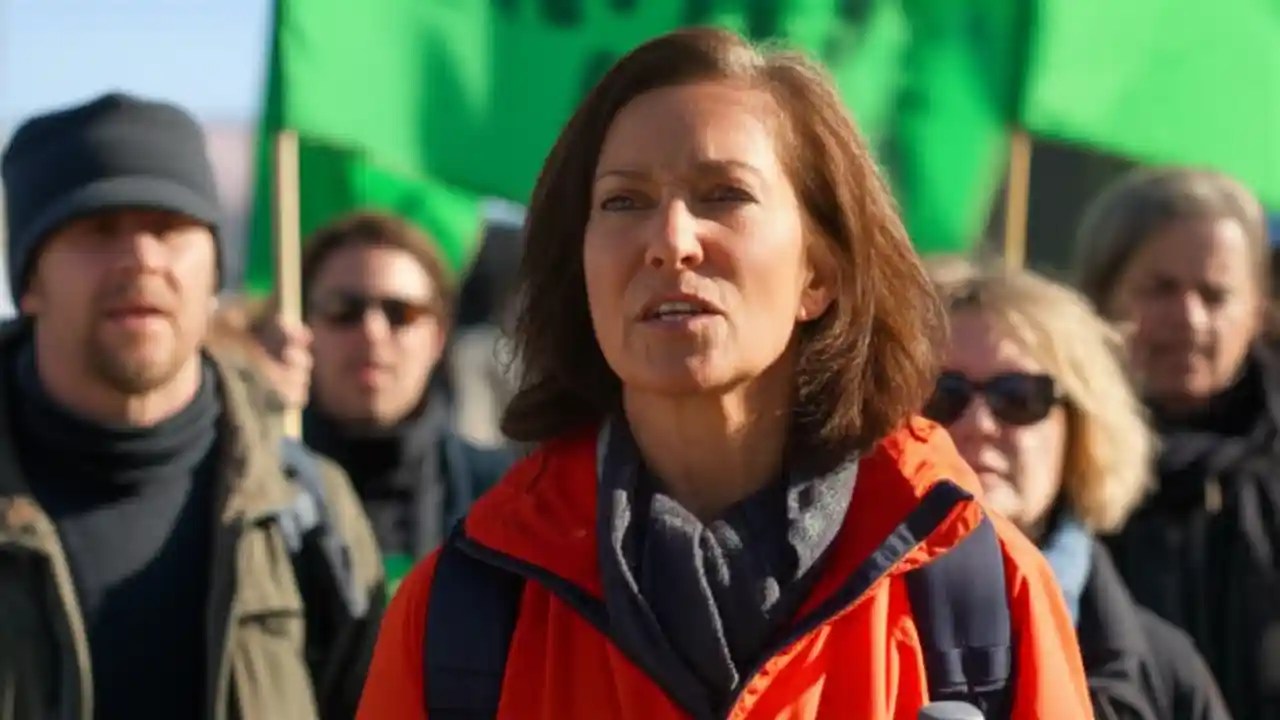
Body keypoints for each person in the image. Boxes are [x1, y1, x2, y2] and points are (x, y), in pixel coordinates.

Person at [357, 28, 1090, 719]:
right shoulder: (462, 612)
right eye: (623, 202)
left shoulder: (981, 593)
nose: (671, 241)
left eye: (725, 196)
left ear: (820, 274)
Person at [0, 92, 384, 719]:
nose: (142, 257)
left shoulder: (306, 511)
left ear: (213, 272)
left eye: (171, 227)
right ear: (31, 281)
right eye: (99, 229)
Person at [930, 261, 1230, 720]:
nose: (978, 424)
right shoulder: (829, 627)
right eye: (944, 394)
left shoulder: (1164, 671)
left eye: (1018, 397)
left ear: (1081, 428)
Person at [1075, 168, 1278, 719]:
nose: (1189, 318)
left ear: (1258, 311)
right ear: (1099, 295)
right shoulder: (1051, 456)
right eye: (1160, 289)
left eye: (1216, 296)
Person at [253, 211, 511, 590]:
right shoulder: (250, 494)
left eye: (400, 313)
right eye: (344, 310)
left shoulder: (504, 499)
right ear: (302, 328)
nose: (372, 333)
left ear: (438, 337)